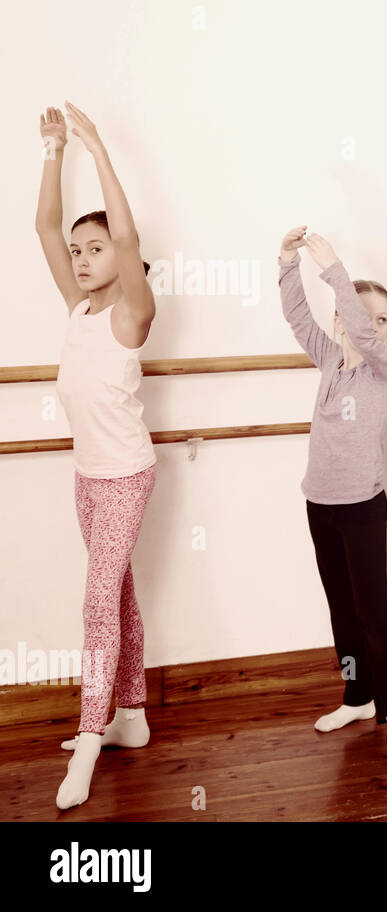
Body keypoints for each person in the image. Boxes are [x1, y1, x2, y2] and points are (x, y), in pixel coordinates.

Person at [38, 104, 159, 810]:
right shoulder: (77, 310)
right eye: (79, 252)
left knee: (94, 605)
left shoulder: (130, 315)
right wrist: (53, 151)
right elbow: (44, 229)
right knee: (118, 595)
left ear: (125, 256)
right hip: (87, 478)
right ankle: (132, 715)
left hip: (126, 478)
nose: (82, 258)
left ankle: (89, 738)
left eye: (96, 248)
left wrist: (98, 147)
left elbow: (131, 231)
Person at [278, 226, 387, 769]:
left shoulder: (385, 371)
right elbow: (296, 316)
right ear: (338, 320)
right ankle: (358, 698)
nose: (367, 325)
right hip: (320, 503)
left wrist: (335, 269)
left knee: (373, 610)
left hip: (363, 505)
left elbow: (363, 330)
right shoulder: (329, 360)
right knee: (341, 610)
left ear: (386, 331)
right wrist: (287, 261)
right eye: (358, 315)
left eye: (380, 319)